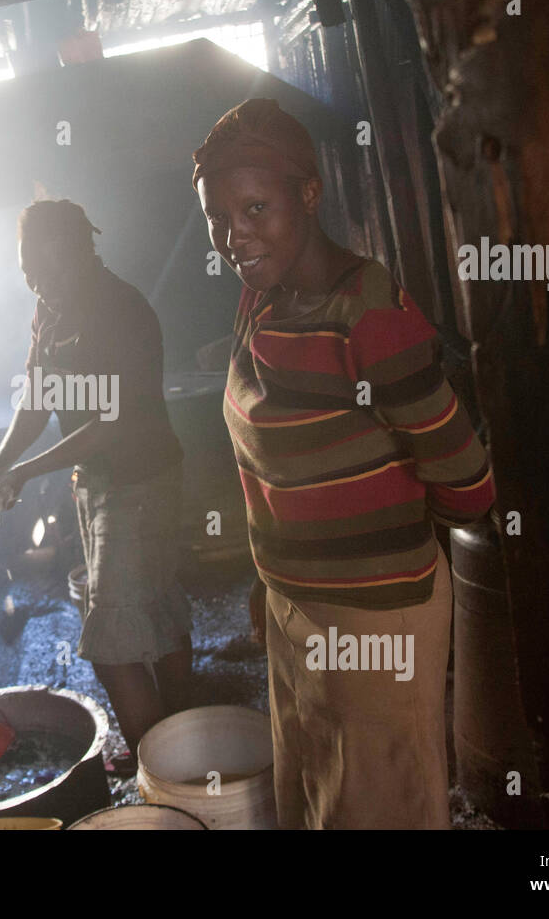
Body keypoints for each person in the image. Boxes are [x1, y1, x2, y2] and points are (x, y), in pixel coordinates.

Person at [191, 99, 496, 828]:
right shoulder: (259, 302)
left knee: (376, 806)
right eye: (216, 216)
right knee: (315, 793)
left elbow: (467, 482)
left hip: (375, 617)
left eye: (254, 207)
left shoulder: (369, 314)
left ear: (309, 193)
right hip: (296, 610)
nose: (234, 236)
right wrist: (275, 587)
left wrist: (375, 539)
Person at [0, 199, 190, 769]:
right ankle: (182, 736)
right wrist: (1, 456)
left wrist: (25, 471)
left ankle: (164, 768)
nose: (39, 281)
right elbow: (39, 396)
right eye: (28, 270)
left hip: (141, 483)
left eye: (50, 267)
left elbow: (111, 423)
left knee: (112, 642)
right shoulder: (49, 311)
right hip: (97, 485)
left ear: (85, 252)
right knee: (154, 608)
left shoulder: (119, 311)